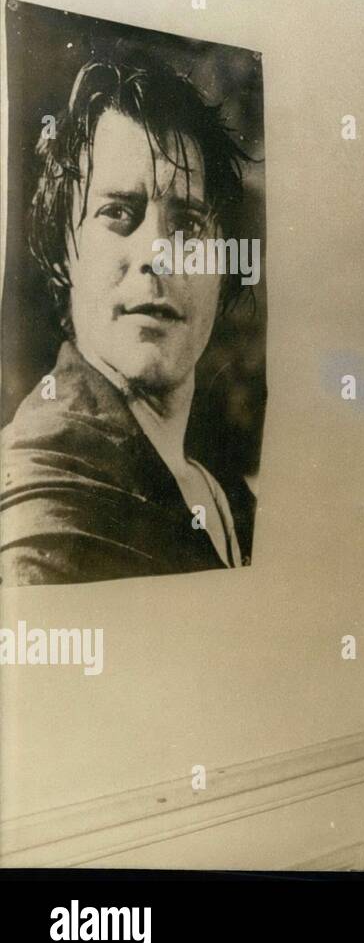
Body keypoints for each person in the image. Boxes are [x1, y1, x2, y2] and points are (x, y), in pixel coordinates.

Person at [1, 52, 256, 585]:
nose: (158, 252)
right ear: (63, 249)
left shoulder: (223, 494)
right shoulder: (40, 489)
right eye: (118, 212)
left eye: (188, 223)